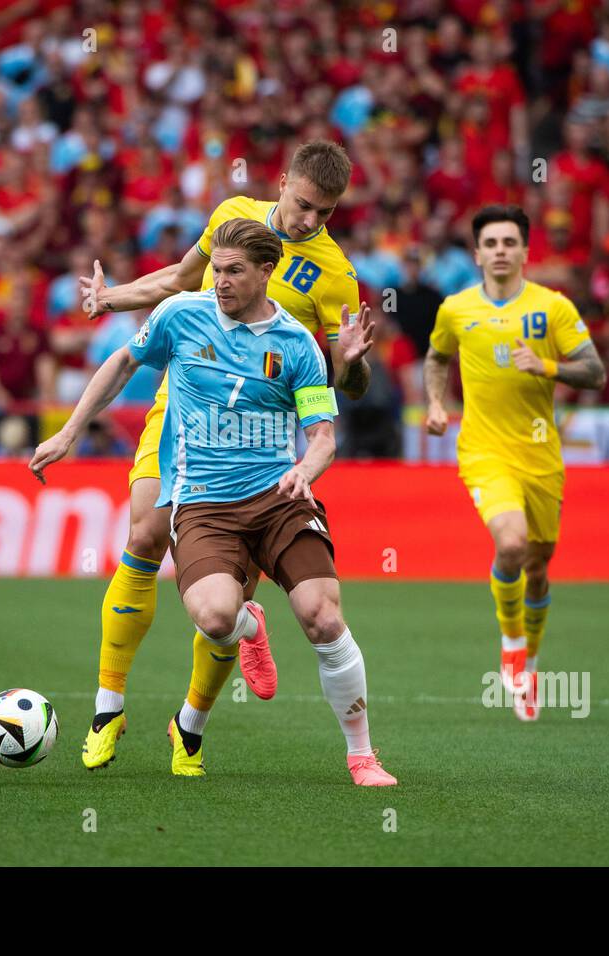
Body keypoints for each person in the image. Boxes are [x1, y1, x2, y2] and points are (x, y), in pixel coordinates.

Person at [31, 219, 394, 785]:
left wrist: (305, 470)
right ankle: (248, 628)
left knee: (324, 618)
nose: (219, 282)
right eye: (216, 269)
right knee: (217, 615)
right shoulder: (182, 314)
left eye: (233, 271)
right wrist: (70, 432)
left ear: (266, 272)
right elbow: (125, 362)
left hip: (279, 497)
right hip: (203, 502)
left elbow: (323, 435)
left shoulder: (297, 344)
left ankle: (362, 755)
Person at [423, 205, 607, 720]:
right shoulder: (456, 309)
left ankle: (531, 660)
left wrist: (546, 364)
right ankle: (510, 644)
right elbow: (437, 357)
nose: (500, 250)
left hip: (542, 456)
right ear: (478, 253)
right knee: (511, 544)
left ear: (526, 252)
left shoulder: (554, 307)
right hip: (484, 451)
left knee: (540, 571)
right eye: (491, 243)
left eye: (510, 242)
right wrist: (437, 403)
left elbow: (595, 372)